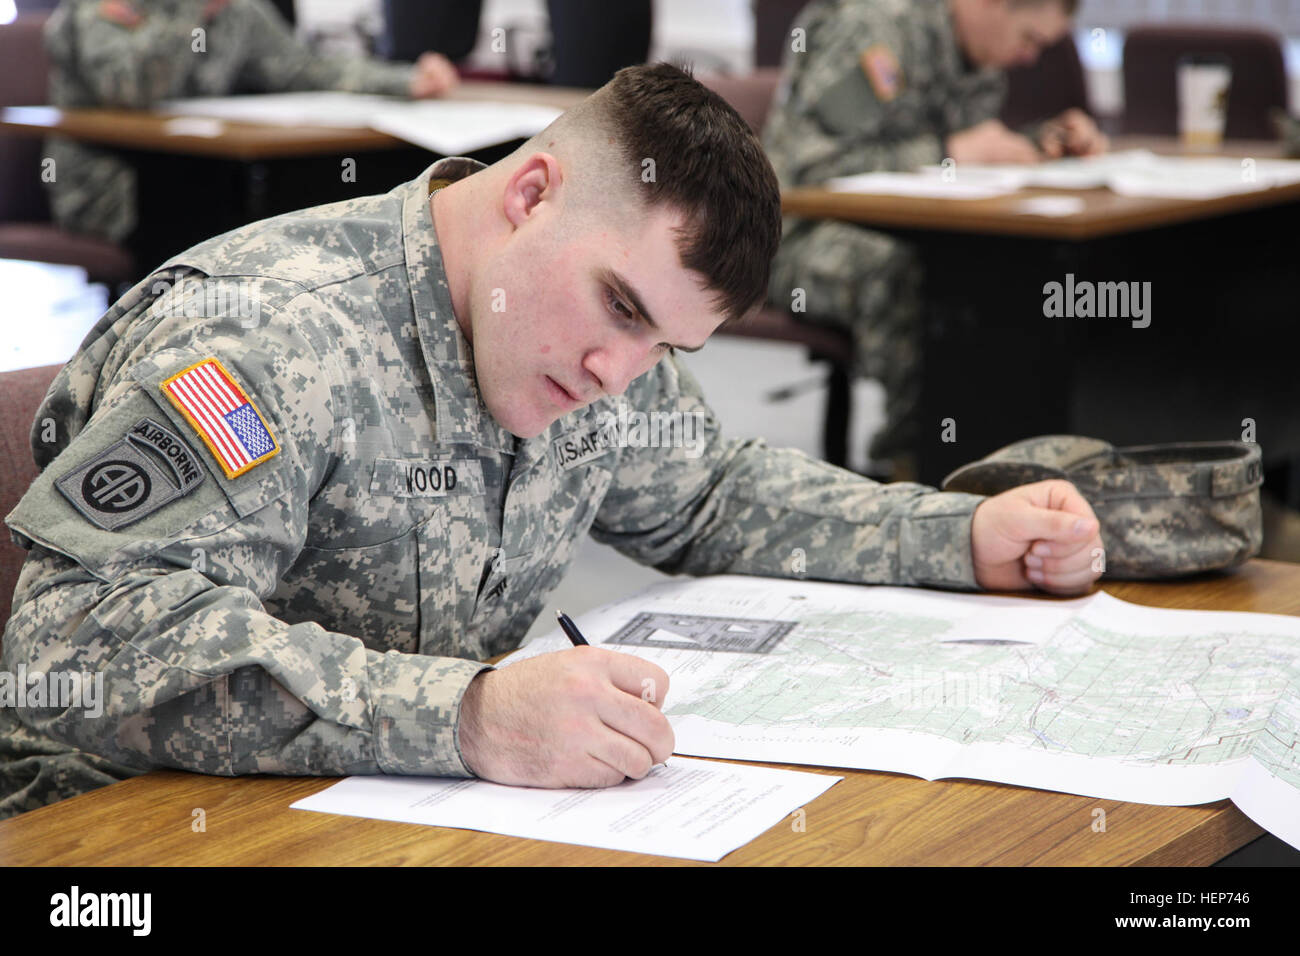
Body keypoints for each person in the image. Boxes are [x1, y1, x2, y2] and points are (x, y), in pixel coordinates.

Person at [0, 63, 1104, 819]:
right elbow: (78, 646)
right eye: (622, 310)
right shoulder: (266, 335)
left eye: (665, 344)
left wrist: (962, 535)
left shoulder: (587, 345)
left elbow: (711, 492)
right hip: (128, 826)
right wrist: (468, 714)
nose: (618, 376)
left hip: (386, 810)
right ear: (531, 194)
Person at [763, 0, 1108, 475]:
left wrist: (1037, 141)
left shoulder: (979, 60)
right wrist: (951, 152)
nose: (1029, 57)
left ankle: (1003, 463)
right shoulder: (878, 31)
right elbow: (804, 170)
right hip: (799, 236)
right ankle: (916, 471)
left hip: (911, 229)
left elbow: (951, 155)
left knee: (1020, 266)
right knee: (922, 276)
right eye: (1028, 38)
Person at [42, 0, 461, 243]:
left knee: (299, 195)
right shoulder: (105, 7)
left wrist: (406, 80)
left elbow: (304, 69)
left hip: (206, 167)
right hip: (107, 181)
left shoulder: (237, 11)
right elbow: (128, 88)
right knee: (209, 205)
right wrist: (192, 9)